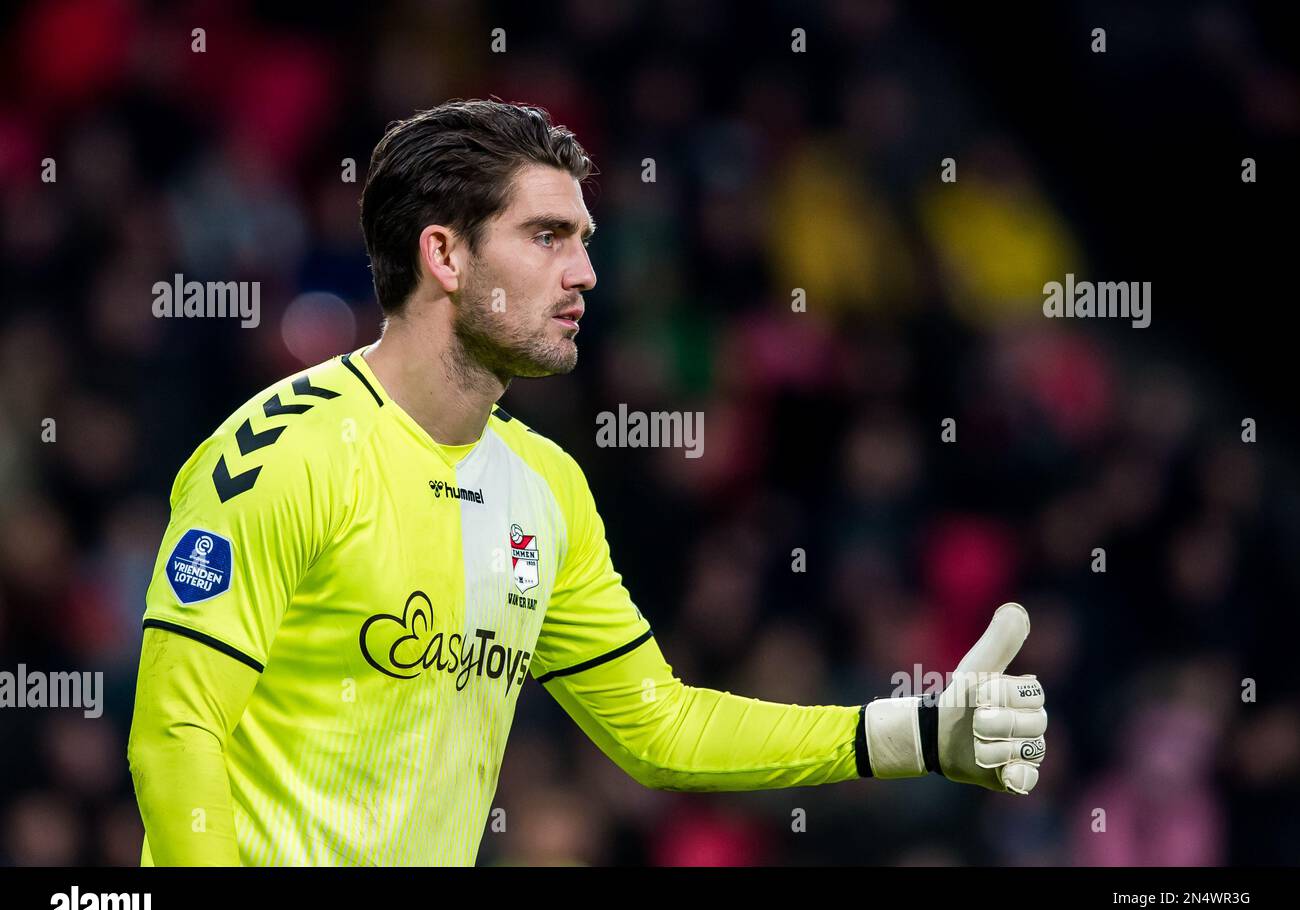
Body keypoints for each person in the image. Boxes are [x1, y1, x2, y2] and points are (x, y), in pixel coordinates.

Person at [128, 99, 1047, 866]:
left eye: (583, 239)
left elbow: (660, 729)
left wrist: (910, 735)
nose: (585, 272)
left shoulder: (545, 486)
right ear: (445, 256)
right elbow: (177, 736)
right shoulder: (284, 452)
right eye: (546, 237)